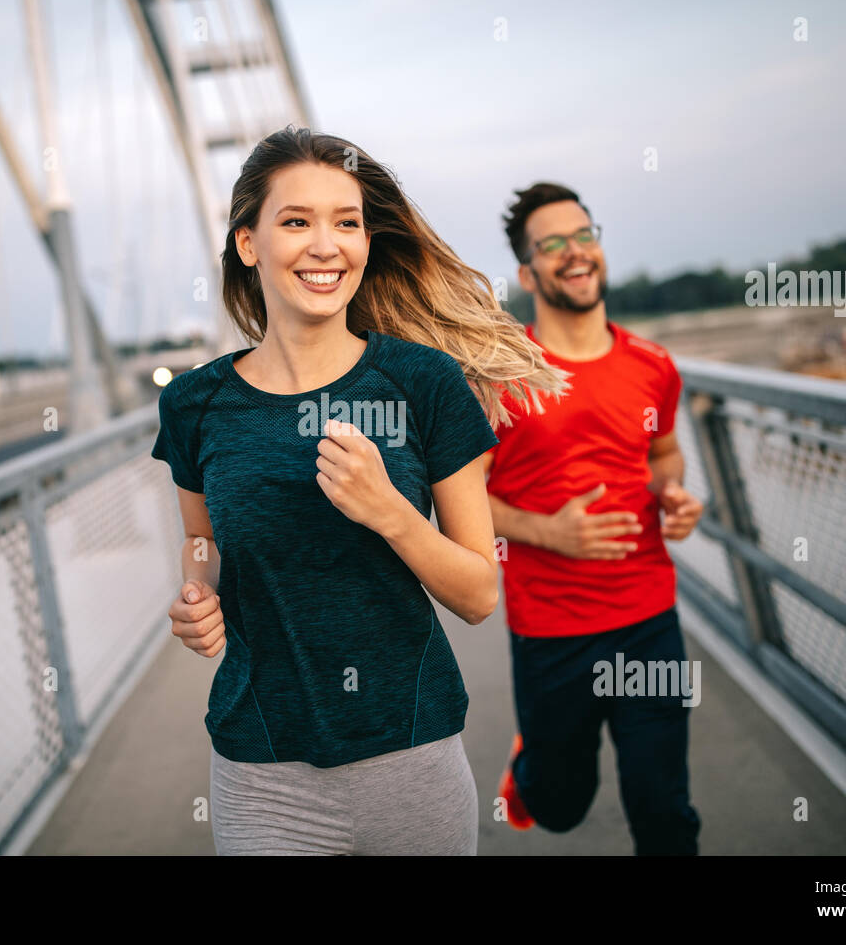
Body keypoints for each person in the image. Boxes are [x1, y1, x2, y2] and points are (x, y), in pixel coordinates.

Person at [150, 127, 567, 855]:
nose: (326, 244)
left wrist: (391, 514)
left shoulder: (425, 383)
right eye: (296, 221)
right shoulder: (194, 404)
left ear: (368, 243)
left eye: (347, 223)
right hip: (261, 769)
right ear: (248, 243)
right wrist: (196, 601)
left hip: (411, 761)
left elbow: (477, 594)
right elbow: (202, 548)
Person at [484, 182, 704, 855]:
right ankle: (531, 771)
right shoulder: (498, 374)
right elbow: (457, 498)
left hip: (648, 620)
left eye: (584, 236)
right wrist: (547, 531)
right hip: (552, 631)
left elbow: (665, 455)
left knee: (663, 808)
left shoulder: (652, 365)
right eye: (552, 245)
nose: (574, 254)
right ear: (528, 272)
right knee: (559, 806)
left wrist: (674, 496)